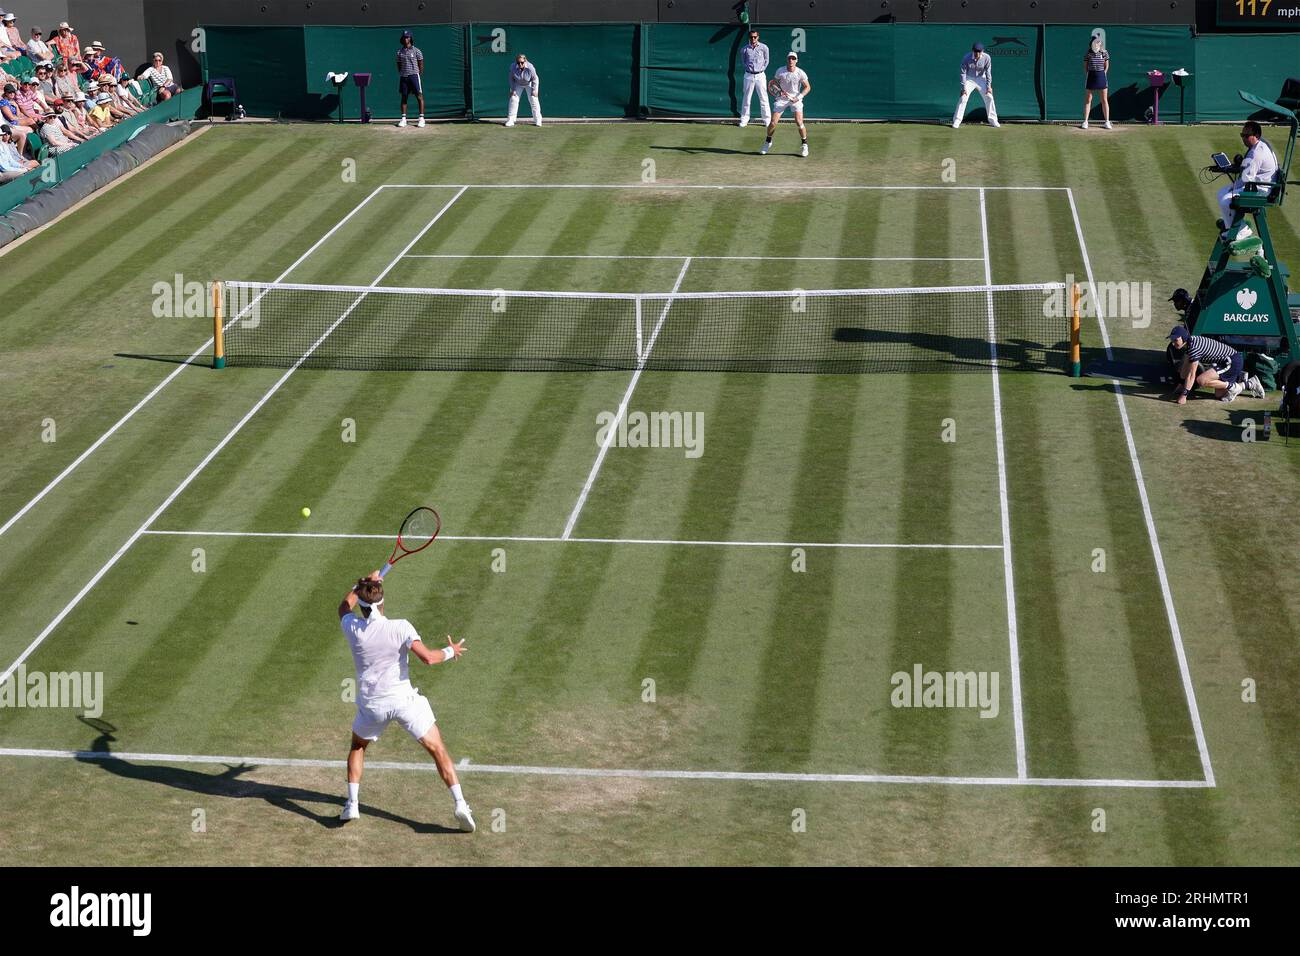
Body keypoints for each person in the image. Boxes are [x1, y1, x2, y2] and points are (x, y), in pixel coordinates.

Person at [337, 572, 475, 831]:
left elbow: (344, 606)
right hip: (404, 701)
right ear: (382, 601)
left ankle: (352, 804)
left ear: (364, 607)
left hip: (372, 705)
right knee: (438, 749)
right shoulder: (401, 627)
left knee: (358, 746)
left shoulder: (352, 627)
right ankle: (460, 804)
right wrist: (451, 651)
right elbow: (429, 659)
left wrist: (360, 585)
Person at [1168, 325, 1264, 404]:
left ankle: (1235, 386)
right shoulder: (1190, 342)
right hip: (1225, 361)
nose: (1173, 343)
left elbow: (1191, 375)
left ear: (1184, 338)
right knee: (1219, 395)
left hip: (1232, 361)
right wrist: (1181, 384)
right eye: (1172, 340)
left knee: (1201, 380)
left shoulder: (1194, 349)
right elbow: (1184, 371)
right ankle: (1249, 384)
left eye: (1176, 340)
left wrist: (1184, 395)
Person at [1217, 121, 1279, 233]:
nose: (1244, 139)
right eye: (1242, 135)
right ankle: (1231, 227)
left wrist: (1234, 187)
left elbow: (1247, 179)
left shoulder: (1256, 153)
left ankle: (1242, 231)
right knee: (1221, 192)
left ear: (1257, 136)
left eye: (1247, 136)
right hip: (1257, 185)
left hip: (1260, 190)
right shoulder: (1261, 144)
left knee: (1225, 200)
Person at [760, 52, 811, 158]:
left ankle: (804, 145)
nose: (791, 61)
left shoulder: (800, 73)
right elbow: (774, 84)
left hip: (795, 99)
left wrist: (798, 97)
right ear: (787, 60)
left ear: (796, 60)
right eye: (789, 59)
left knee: (799, 122)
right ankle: (768, 141)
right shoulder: (780, 71)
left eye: (793, 59)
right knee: (773, 123)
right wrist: (780, 93)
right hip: (782, 99)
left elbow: (807, 87)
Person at [952, 41, 999, 129]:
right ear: (972, 50)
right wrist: (963, 87)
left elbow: (988, 73)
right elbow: (963, 74)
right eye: (976, 51)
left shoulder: (987, 58)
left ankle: (993, 120)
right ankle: (957, 120)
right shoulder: (966, 58)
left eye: (979, 51)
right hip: (969, 79)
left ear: (982, 51)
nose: (977, 53)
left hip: (981, 78)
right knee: (963, 97)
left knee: (989, 97)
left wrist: (989, 86)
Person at [738, 29, 770, 129]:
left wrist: (761, 70)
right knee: (746, 98)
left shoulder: (764, 48)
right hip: (748, 75)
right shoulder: (744, 49)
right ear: (749, 38)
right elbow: (743, 62)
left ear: (758, 37)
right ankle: (744, 119)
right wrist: (749, 70)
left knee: (763, 98)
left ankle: (767, 120)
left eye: (755, 37)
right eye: (751, 37)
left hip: (760, 75)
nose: (753, 39)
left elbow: (767, 60)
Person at [395, 30, 424, 128]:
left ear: (410, 38)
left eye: (407, 37)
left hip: (414, 76)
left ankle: (421, 119)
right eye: (404, 37)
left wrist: (416, 74)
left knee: (419, 96)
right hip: (404, 77)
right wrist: (403, 73)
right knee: (404, 97)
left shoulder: (417, 51)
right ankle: (403, 119)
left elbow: (421, 65)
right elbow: (399, 65)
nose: (406, 39)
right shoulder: (399, 52)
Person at [1082, 35, 1111, 130]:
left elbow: (1106, 65)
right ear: (1092, 42)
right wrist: (1090, 74)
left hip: (1101, 76)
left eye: (1099, 41)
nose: (1097, 43)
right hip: (1091, 76)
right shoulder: (1088, 53)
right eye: (1095, 41)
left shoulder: (1104, 52)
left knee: (1104, 100)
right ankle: (1085, 121)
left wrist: (1103, 74)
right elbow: (1085, 66)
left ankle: (1107, 122)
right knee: (1088, 99)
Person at [506, 52, 541, 128]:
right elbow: (511, 78)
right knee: (513, 98)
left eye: (522, 62)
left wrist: (534, 90)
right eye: (518, 63)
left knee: (533, 99)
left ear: (525, 61)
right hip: (518, 83)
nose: (520, 64)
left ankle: (538, 120)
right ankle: (511, 120)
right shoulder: (513, 67)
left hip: (530, 82)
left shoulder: (530, 67)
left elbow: (534, 78)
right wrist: (513, 89)